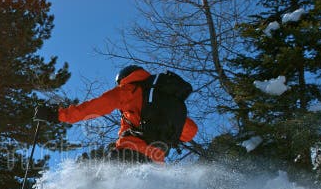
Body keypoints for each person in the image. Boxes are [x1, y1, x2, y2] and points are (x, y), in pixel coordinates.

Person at [34, 65, 198, 163]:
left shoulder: (130, 90)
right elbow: (191, 131)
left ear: (124, 79)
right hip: (155, 163)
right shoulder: (164, 105)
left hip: (129, 155)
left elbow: (95, 106)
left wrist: (57, 115)